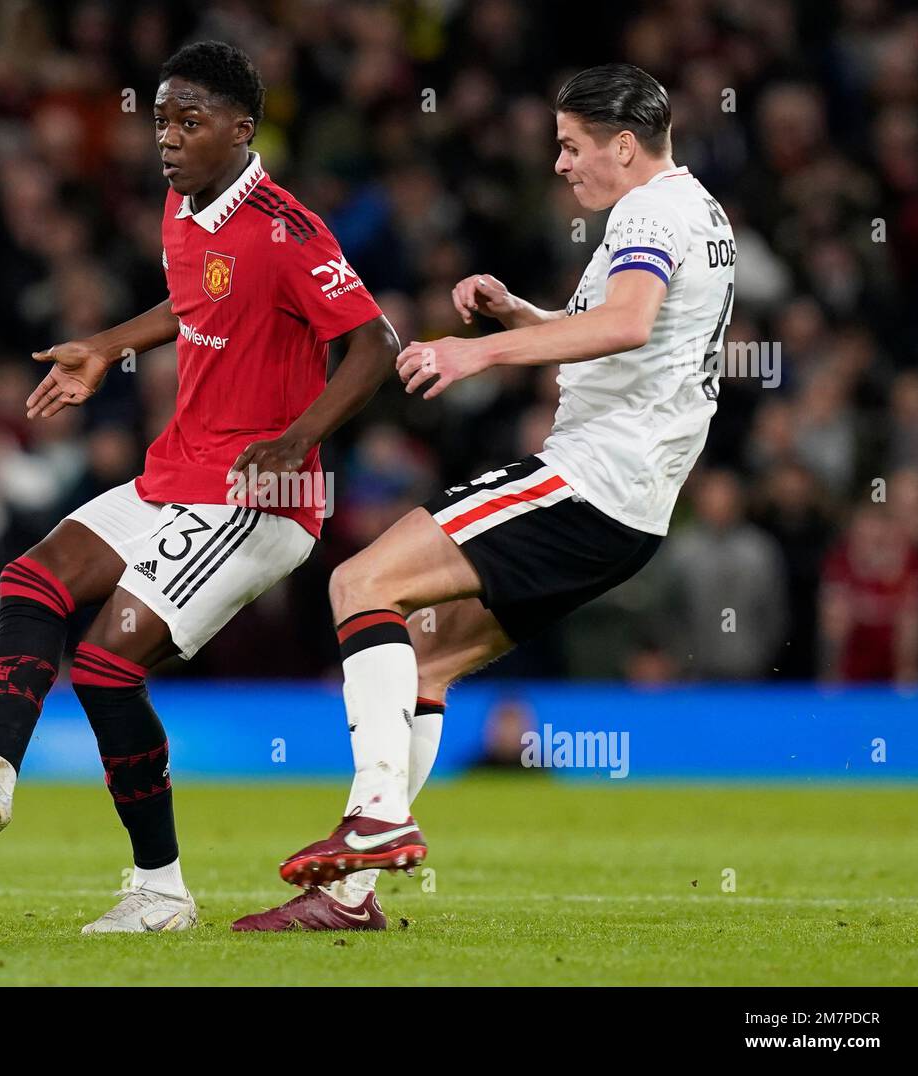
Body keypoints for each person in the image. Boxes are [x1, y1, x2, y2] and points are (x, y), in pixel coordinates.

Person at [0, 41, 399, 934]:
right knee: (31, 581)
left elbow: (375, 341)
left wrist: (298, 436)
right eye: (160, 119)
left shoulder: (288, 228)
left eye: (190, 122)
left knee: (108, 665)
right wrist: (112, 342)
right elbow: (195, 306)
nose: (168, 138)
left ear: (242, 128)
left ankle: (160, 893)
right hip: (179, 471)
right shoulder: (183, 209)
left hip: (256, 495)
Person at [235, 63, 737, 931]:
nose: (560, 163)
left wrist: (472, 355)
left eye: (571, 145)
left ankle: (381, 817)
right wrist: (518, 315)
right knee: (423, 658)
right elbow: (625, 341)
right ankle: (348, 896)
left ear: (624, 144)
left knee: (358, 584)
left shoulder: (650, 211)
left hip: (589, 480)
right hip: (633, 507)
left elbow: (624, 325)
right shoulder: (700, 210)